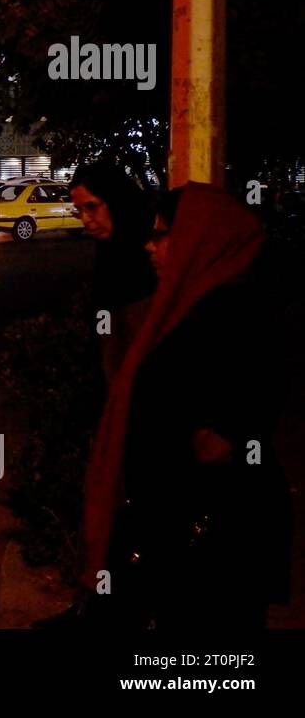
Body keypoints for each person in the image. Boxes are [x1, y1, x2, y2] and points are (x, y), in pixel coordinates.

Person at [76, 183, 292, 627]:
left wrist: (232, 431)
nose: (148, 245)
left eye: (162, 235)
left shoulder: (234, 309)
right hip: (183, 527)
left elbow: (257, 392)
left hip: (216, 536)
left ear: (199, 237)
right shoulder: (185, 302)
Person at [70, 164, 157, 377]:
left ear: (118, 203)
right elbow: (103, 311)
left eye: (91, 206)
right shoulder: (108, 252)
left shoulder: (156, 257)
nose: (85, 219)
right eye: (79, 210)